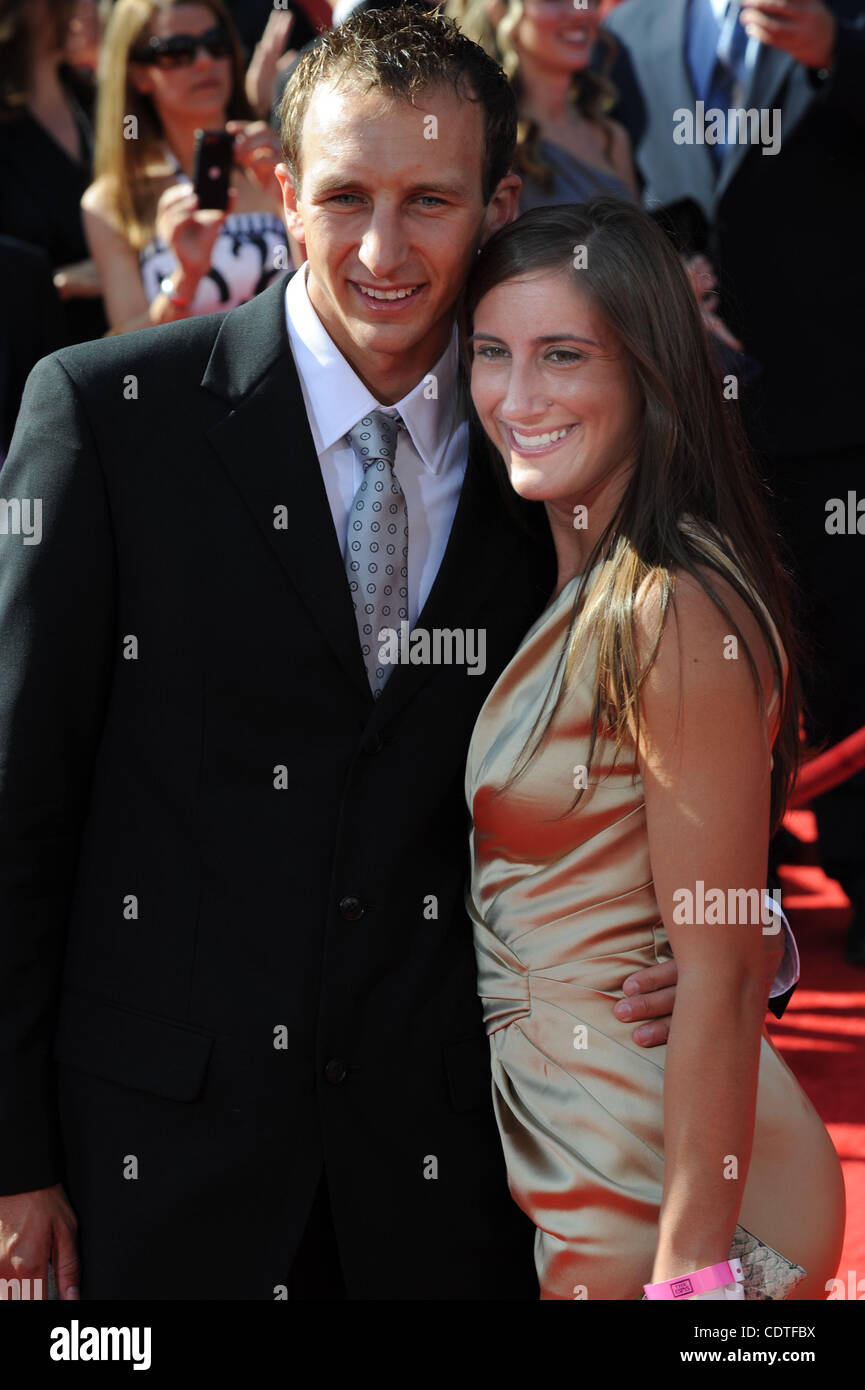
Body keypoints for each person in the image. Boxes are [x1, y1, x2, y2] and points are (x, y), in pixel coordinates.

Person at [0, 8, 795, 1301]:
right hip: (155, 1161)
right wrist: (12, 1161)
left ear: (499, 201)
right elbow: (19, 802)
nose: (382, 248)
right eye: (345, 195)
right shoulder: (105, 417)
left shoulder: (538, 448)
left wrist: (710, 928)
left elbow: (653, 717)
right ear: (278, 189)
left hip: (452, 1176)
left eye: (429, 200)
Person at [463, 197, 845, 1301]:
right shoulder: (576, 580)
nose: (516, 397)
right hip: (585, 1152)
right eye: (492, 353)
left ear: (649, 370)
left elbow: (719, 974)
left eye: (561, 356)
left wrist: (693, 1277)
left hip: (673, 1195)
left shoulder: (665, 604)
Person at [597, 0, 865, 965]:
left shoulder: (842, 23)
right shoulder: (632, 34)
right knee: (704, 646)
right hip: (675, 408)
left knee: (843, 651)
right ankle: (722, 886)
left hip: (828, 403)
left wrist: (836, 51)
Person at [81, 0, 291, 334]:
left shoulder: (281, 159)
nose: (205, 62)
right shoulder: (113, 200)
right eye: (176, 52)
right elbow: (123, 350)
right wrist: (186, 280)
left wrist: (294, 205)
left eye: (215, 43)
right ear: (138, 75)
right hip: (185, 384)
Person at [0, 0, 107, 342]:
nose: (86, 7)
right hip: (31, 354)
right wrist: (61, 282)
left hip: (124, 345)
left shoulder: (103, 103)